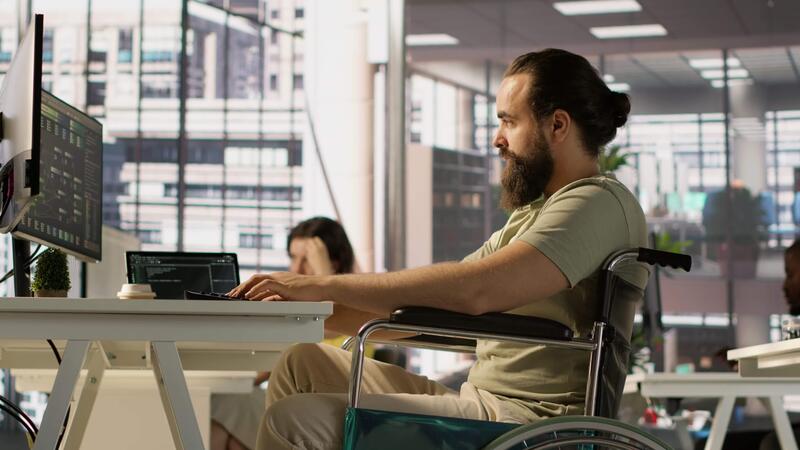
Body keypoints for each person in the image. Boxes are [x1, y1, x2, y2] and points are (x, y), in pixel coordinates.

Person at [228, 48, 650, 450]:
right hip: (483, 403)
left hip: (525, 424)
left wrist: (320, 284)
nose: (497, 139)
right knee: (302, 363)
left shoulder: (596, 203)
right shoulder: (538, 211)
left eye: (508, 121)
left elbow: (474, 291)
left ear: (558, 126)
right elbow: (442, 306)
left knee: (293, 421)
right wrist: (289, 317)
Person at [211, 216, 358, 450]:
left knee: (226, 407)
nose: (297, 269)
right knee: (225, 405)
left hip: (332, 409)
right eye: (293, 258)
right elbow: (263, 370)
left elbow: (328, 325)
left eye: (307, 259)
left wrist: (323, 276)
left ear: (335, 262)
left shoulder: (352, 300)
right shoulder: (299, 308)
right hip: (293, 401)